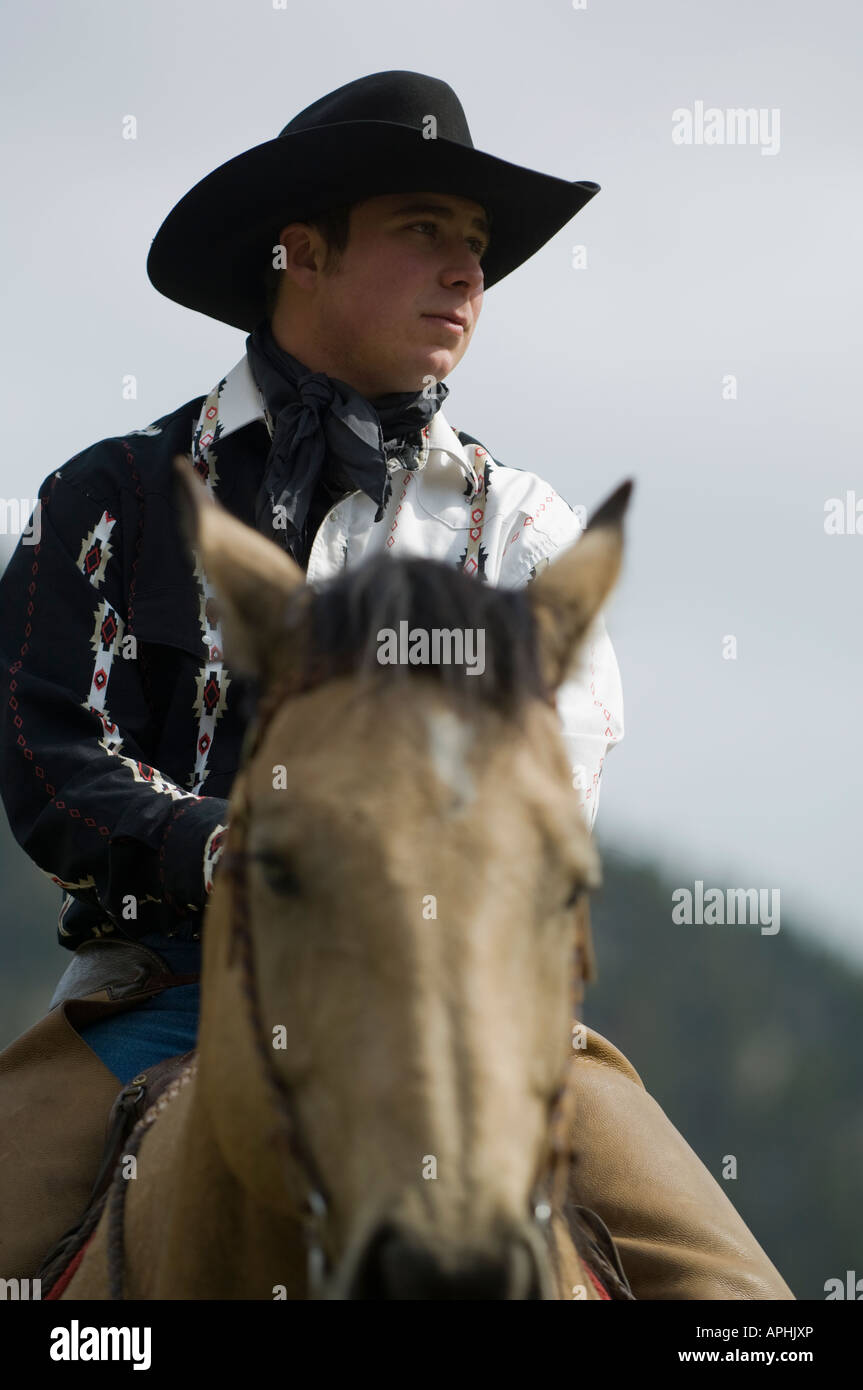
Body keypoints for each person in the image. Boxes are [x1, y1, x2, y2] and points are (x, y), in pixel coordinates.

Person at [0, 70, 793, 1298]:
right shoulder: (103, 496)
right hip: (159, 994)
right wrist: (242, 849)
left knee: (743, 1310)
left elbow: (551, 794)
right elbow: (49, 759)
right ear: (300, 251)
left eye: (475, 248)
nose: (467, 275)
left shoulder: (525, 531)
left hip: (470, 1002)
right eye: (425, 231)